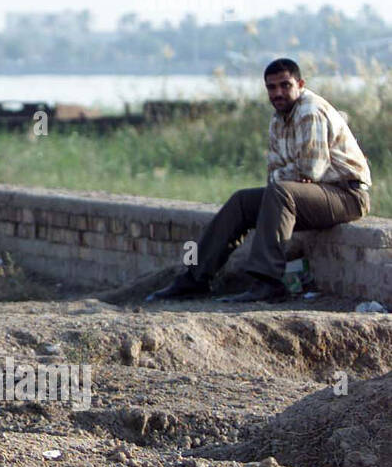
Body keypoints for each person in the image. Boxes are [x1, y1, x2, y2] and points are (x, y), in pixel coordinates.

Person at [148, 58, 372, 304]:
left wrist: (290, 179)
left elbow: (311, 170)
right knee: (242, 201)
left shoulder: (310, 111)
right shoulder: (278, 119)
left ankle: (268, 282)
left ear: (300, 84)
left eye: (285, 85)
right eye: (272, 87)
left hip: (347, 195)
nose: (278, 93)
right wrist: (292, 179)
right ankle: (194, 277)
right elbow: (276, 173)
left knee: (280, 192)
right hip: (305, 195)